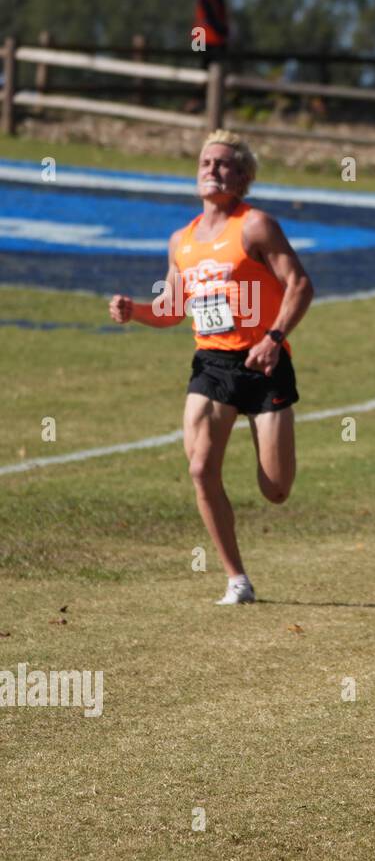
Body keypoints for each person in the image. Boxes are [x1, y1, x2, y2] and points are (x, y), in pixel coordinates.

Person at [108, 130, 313, 605]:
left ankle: (264, 446)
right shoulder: (181, 239)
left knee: (276, 490)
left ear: (242, 178)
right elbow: (172, 308)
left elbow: (301, 285)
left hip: (265, 363)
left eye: (223, 164)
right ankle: (236, 579)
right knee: (201, 469)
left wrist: (274, 338)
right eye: (205, 161)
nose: (211, 170)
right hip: (213, 364)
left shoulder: (256, 226)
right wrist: (134, 309)